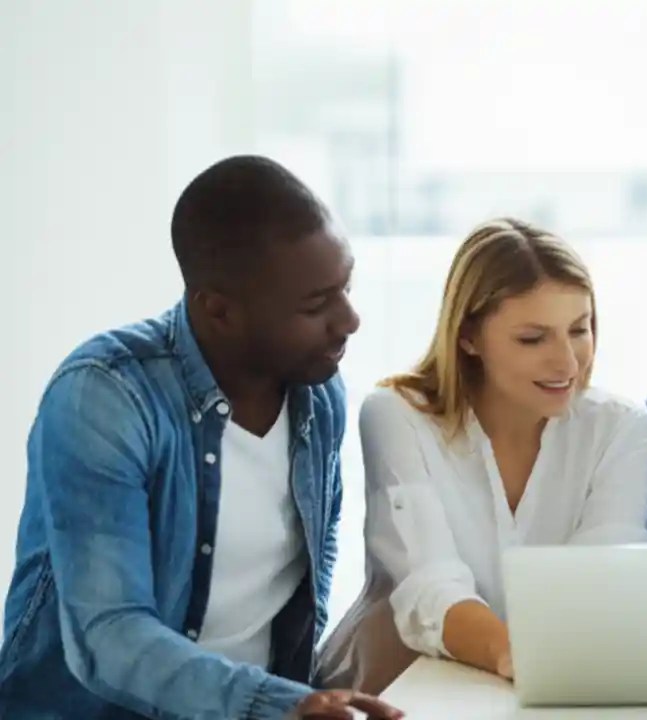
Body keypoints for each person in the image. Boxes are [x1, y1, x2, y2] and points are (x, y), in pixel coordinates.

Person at [0, 156, 402, 718]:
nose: (349, 320)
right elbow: (108, 636)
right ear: (218, 311)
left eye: (345, 287)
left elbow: (305, 578)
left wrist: (311, 697)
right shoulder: (104, 397)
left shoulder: (318, 392)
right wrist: (281, 704)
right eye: (315, 305)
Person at [318, 218, 647, 692]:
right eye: (532, 339)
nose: (568, 362)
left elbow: (600, 583)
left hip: (546, 681)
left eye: (579, 329)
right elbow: (429, 587)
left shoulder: (622, 428)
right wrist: (523, 658)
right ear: (468, 337)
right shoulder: (397, 416)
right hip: (400, 681)